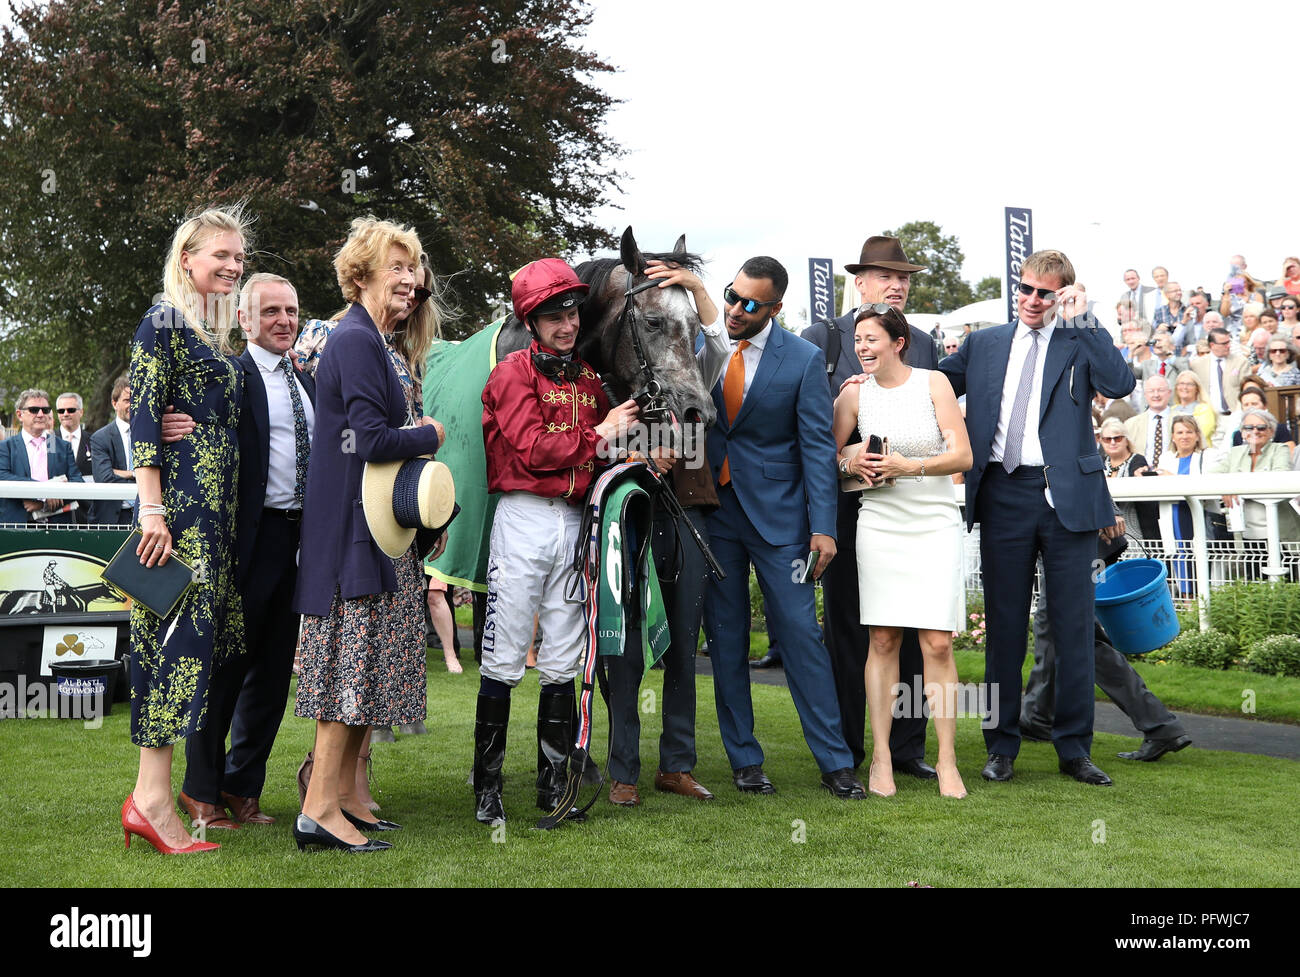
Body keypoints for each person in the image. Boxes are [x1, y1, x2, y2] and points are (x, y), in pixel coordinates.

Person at [939, 249, 1133, 787]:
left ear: (1064, 294)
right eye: (1024, 289)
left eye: (1044, 293)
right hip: (1003, 494)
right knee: (1003, 630)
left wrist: (1086, 318)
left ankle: (1075, 749)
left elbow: (1119, 385)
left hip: (1069, 501)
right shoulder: (983, 343)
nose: (1030, 300)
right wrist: (870, 379)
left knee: (1073, 630)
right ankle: (1001, 745)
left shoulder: (1079, 339)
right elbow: (929, 384)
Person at [292, 217, 446, 853]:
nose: (410, 281)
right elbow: (366, 438)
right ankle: (319, 808)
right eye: (396, 268)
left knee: (368, 671)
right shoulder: (354, 339)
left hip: (378, 527)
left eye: (413, 269)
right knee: (347, 674)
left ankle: (349, 798)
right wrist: (430, 435)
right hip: (351, 531)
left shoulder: (377, 341)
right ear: (360, 277)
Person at [471, 257, 638, 826]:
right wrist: (601, 435)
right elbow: (533, 448)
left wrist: (631, 449)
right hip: (522, 518)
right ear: (531, 320)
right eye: (553, 315)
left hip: (575, 522)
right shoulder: (511, 373)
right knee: (505, 652)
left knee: (565, 655)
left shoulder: (591, 380)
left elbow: (603, 449)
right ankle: (487, 789)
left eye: (572, 312)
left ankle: (552, 786)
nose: (567, 324)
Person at [700, 256, 864, 799]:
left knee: (801, 638)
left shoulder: (803, 358)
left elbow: (818, 448)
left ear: (775, 307)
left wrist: (824, 528)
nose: (735, 310)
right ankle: (744, 761)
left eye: (750, 304)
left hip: (784, 522)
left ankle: (836, 762)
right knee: (726, 642)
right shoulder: (705, 350)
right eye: (731, 296)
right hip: (715, 514)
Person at [120, 206, 249, 855]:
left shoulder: (216, 335)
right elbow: (144, 416)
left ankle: (159, 798)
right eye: (220, 254)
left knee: (195, 654)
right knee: (169, 651)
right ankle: (150, 800)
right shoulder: (163, 322)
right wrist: (153, 510)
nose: (232, 265)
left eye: (238, 257)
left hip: (213, 518)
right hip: (177, 523)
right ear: (187, 258)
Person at [168, 274, 316, 830]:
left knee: (274, 675)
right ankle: (198, 791)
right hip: (242, 544)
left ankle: (241, 786)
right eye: (271, 311)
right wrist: (162, 426)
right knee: (225, 669)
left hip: (298, 544)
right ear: (245, 321)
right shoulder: (230, 375)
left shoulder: (308, 381)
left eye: (292, 310)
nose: (284, 320)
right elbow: (186, 430)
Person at [801, 235, 940, 780]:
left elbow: (936, 423)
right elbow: (810, 432)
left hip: (907, 505)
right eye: (885, 276)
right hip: (843, 508)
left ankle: (906, 749)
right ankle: (846, 752)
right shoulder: (822, 339)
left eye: (903, 277)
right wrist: (845, 454)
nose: (897, 284)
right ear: (858, 282)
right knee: (848, 630)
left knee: (909, 627)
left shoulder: (925, 344)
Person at [831, 304, 972, 799]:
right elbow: (828, 456)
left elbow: (962, 455)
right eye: (858, 339)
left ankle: (947, 759)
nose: (862, 347)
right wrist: (855, 462)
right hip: (879, 523)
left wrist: (905, 466)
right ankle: (881, 758)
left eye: (872, 339)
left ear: (898, 342)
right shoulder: (852, 395)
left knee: (937, 643)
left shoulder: (934, 383)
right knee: (884, 640)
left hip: (932, 520)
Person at [605, 256, 724, 807]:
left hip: (690, 513)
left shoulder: (696, 362)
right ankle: (623, 768)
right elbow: (597, 447)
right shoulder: (612, 373)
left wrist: (697, 286)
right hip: (630, 518)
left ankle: (676, 765)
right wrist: (638, 455)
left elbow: (719, 339)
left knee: (683, 646)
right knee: (626, 644)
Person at [1021, 533, 1192, 762]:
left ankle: (1160, 725)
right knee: (1054, 631)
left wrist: (1110, 512)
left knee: (1079, 637)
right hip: (1077, 544)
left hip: (1078, 543)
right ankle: (1037, 718)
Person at [1212, 408, 1300, 572]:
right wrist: (1226, 487)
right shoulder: (1235, 452)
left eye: (1261, 427)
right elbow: (1211, 475)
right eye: (1249, 428)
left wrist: (1234, 486)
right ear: (1242, 433)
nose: (1255, 431)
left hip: (1278, 531)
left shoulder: (1279, 450)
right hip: (1247, 533)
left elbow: (1278, 477)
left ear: (1271, 431)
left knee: (1284, 582)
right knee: (1254, 583)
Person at [0, 389, 85, 525]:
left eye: (45, 410)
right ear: (19, 415)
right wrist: (44, 491)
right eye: (34, 410)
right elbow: (3, 476)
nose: (40, 414)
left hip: (56, 528)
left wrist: (43, 504)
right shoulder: (6, 447)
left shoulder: (59, 445)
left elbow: (77, 482)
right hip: (17, 527)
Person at [1154, 416, 1214, 594]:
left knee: (1200, 555)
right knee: (1179, 556)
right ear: (1173, 436)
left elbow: (1207, 484)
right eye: (1180, 432)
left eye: (1189, 431)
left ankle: (1203, 600)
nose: (1184, 436)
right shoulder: (1166, 458)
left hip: (1198, 513)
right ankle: (1187, 601)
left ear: (1197, 435)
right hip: (1172, 514)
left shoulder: (1208, 455)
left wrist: (1173, 479)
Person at [1097, 417, 1158, 540]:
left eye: (1117, 438)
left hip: (1134, 529)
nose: (1112, 443)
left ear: (1126, 440)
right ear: (1102, 442)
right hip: (1107, 530)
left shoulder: (1137, 460)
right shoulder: (1100, 462)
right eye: (1107, 439)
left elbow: (1140, 475)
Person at [89, 377, 137, 526]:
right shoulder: (100, 438)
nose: (133, 405)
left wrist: (118, 472)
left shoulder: (150, 434)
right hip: (110, 518)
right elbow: (104, 478)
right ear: (114, 403)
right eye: (127, 400)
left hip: (143, 515)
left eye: (136, 399)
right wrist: (136, 473)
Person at [1191, 326, 1249, 421]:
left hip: (1234, 415)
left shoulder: (1241, 362)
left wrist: (1238, 413)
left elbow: (1247, 390)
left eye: (1229, 342)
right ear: (1212, 345)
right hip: (1208, 418)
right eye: (1224, 343)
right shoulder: (1197, 365)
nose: (1229, 346)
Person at [1125, 375, 1174, 467]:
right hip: (1140, 476)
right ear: (1145, 394)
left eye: (1161, 390)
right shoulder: (1130, 424)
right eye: (1151, 391)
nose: (1156, 395)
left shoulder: (1184, 420)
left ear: (1169, 392)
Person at [1227, 386, 1294, 448]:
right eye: (1246, 405)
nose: (1250, 407)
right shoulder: (1238, 434)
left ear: (1265, 406)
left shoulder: (1279, 429)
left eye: (1254, 404)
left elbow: (1290, 453)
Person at [1170, 369, 1217, 444]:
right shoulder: (1171, 409)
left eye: (1189, 384)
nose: (1185, 387)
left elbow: (1201, 434)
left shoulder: (1205, 409)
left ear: (1197, 389)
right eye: (1181, 383)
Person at [55, 393, 93, 479]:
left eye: (70, 410)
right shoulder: (49, 440)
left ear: (81, 412)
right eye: (61, 411)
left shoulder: (93, 440)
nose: (65, 414)